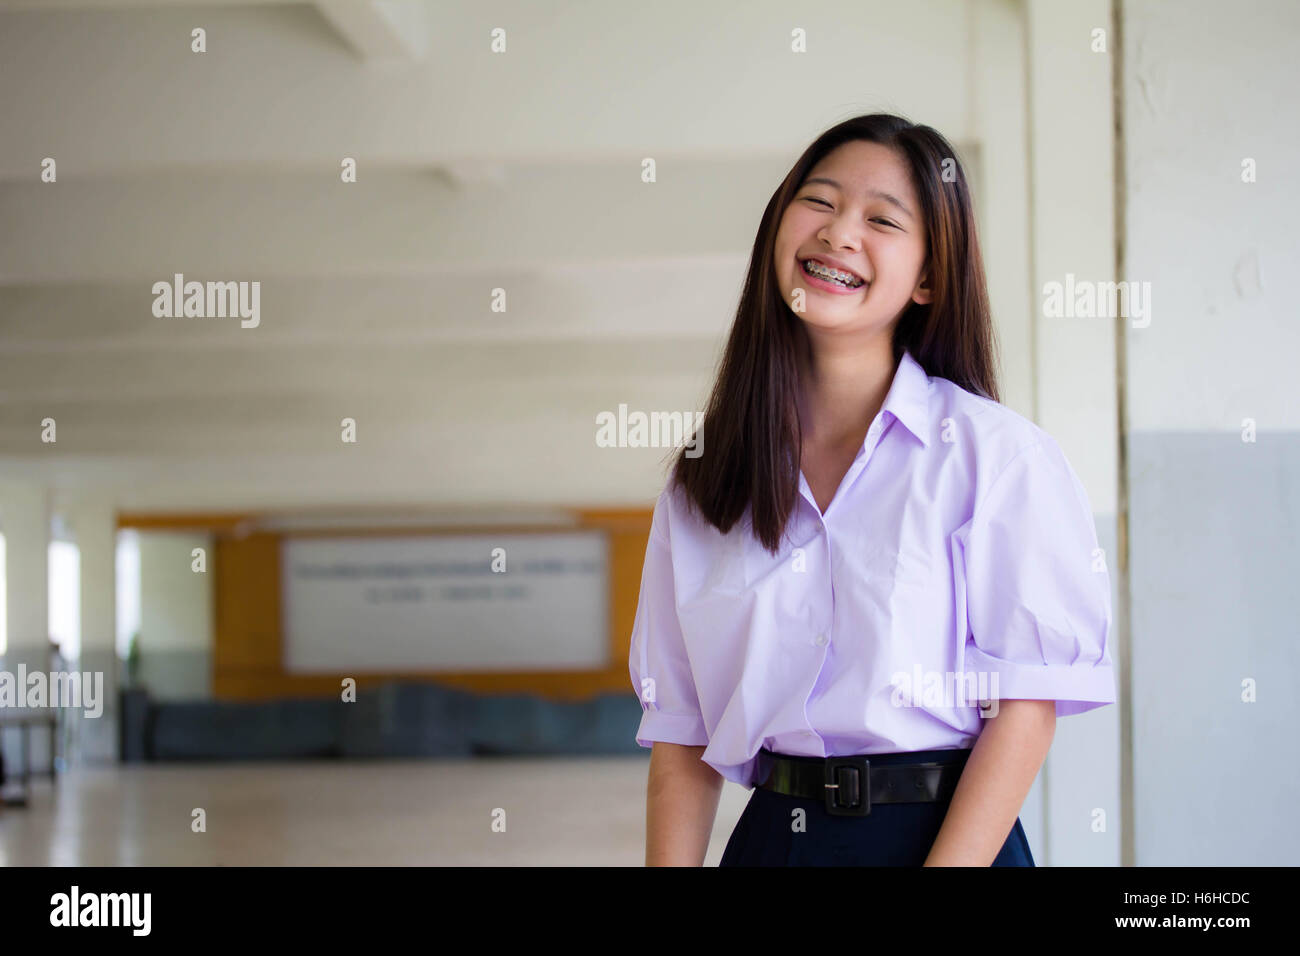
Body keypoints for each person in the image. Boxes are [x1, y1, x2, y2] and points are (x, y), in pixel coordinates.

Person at [628, 113, 1116, 866]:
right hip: (775, 843)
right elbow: (682, 736)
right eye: (818, 202)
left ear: (927, 278)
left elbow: (1025, 709)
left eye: (882, 219)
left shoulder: (992, 456)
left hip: (945, 840)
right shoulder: (706, 481)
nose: (839, 233)